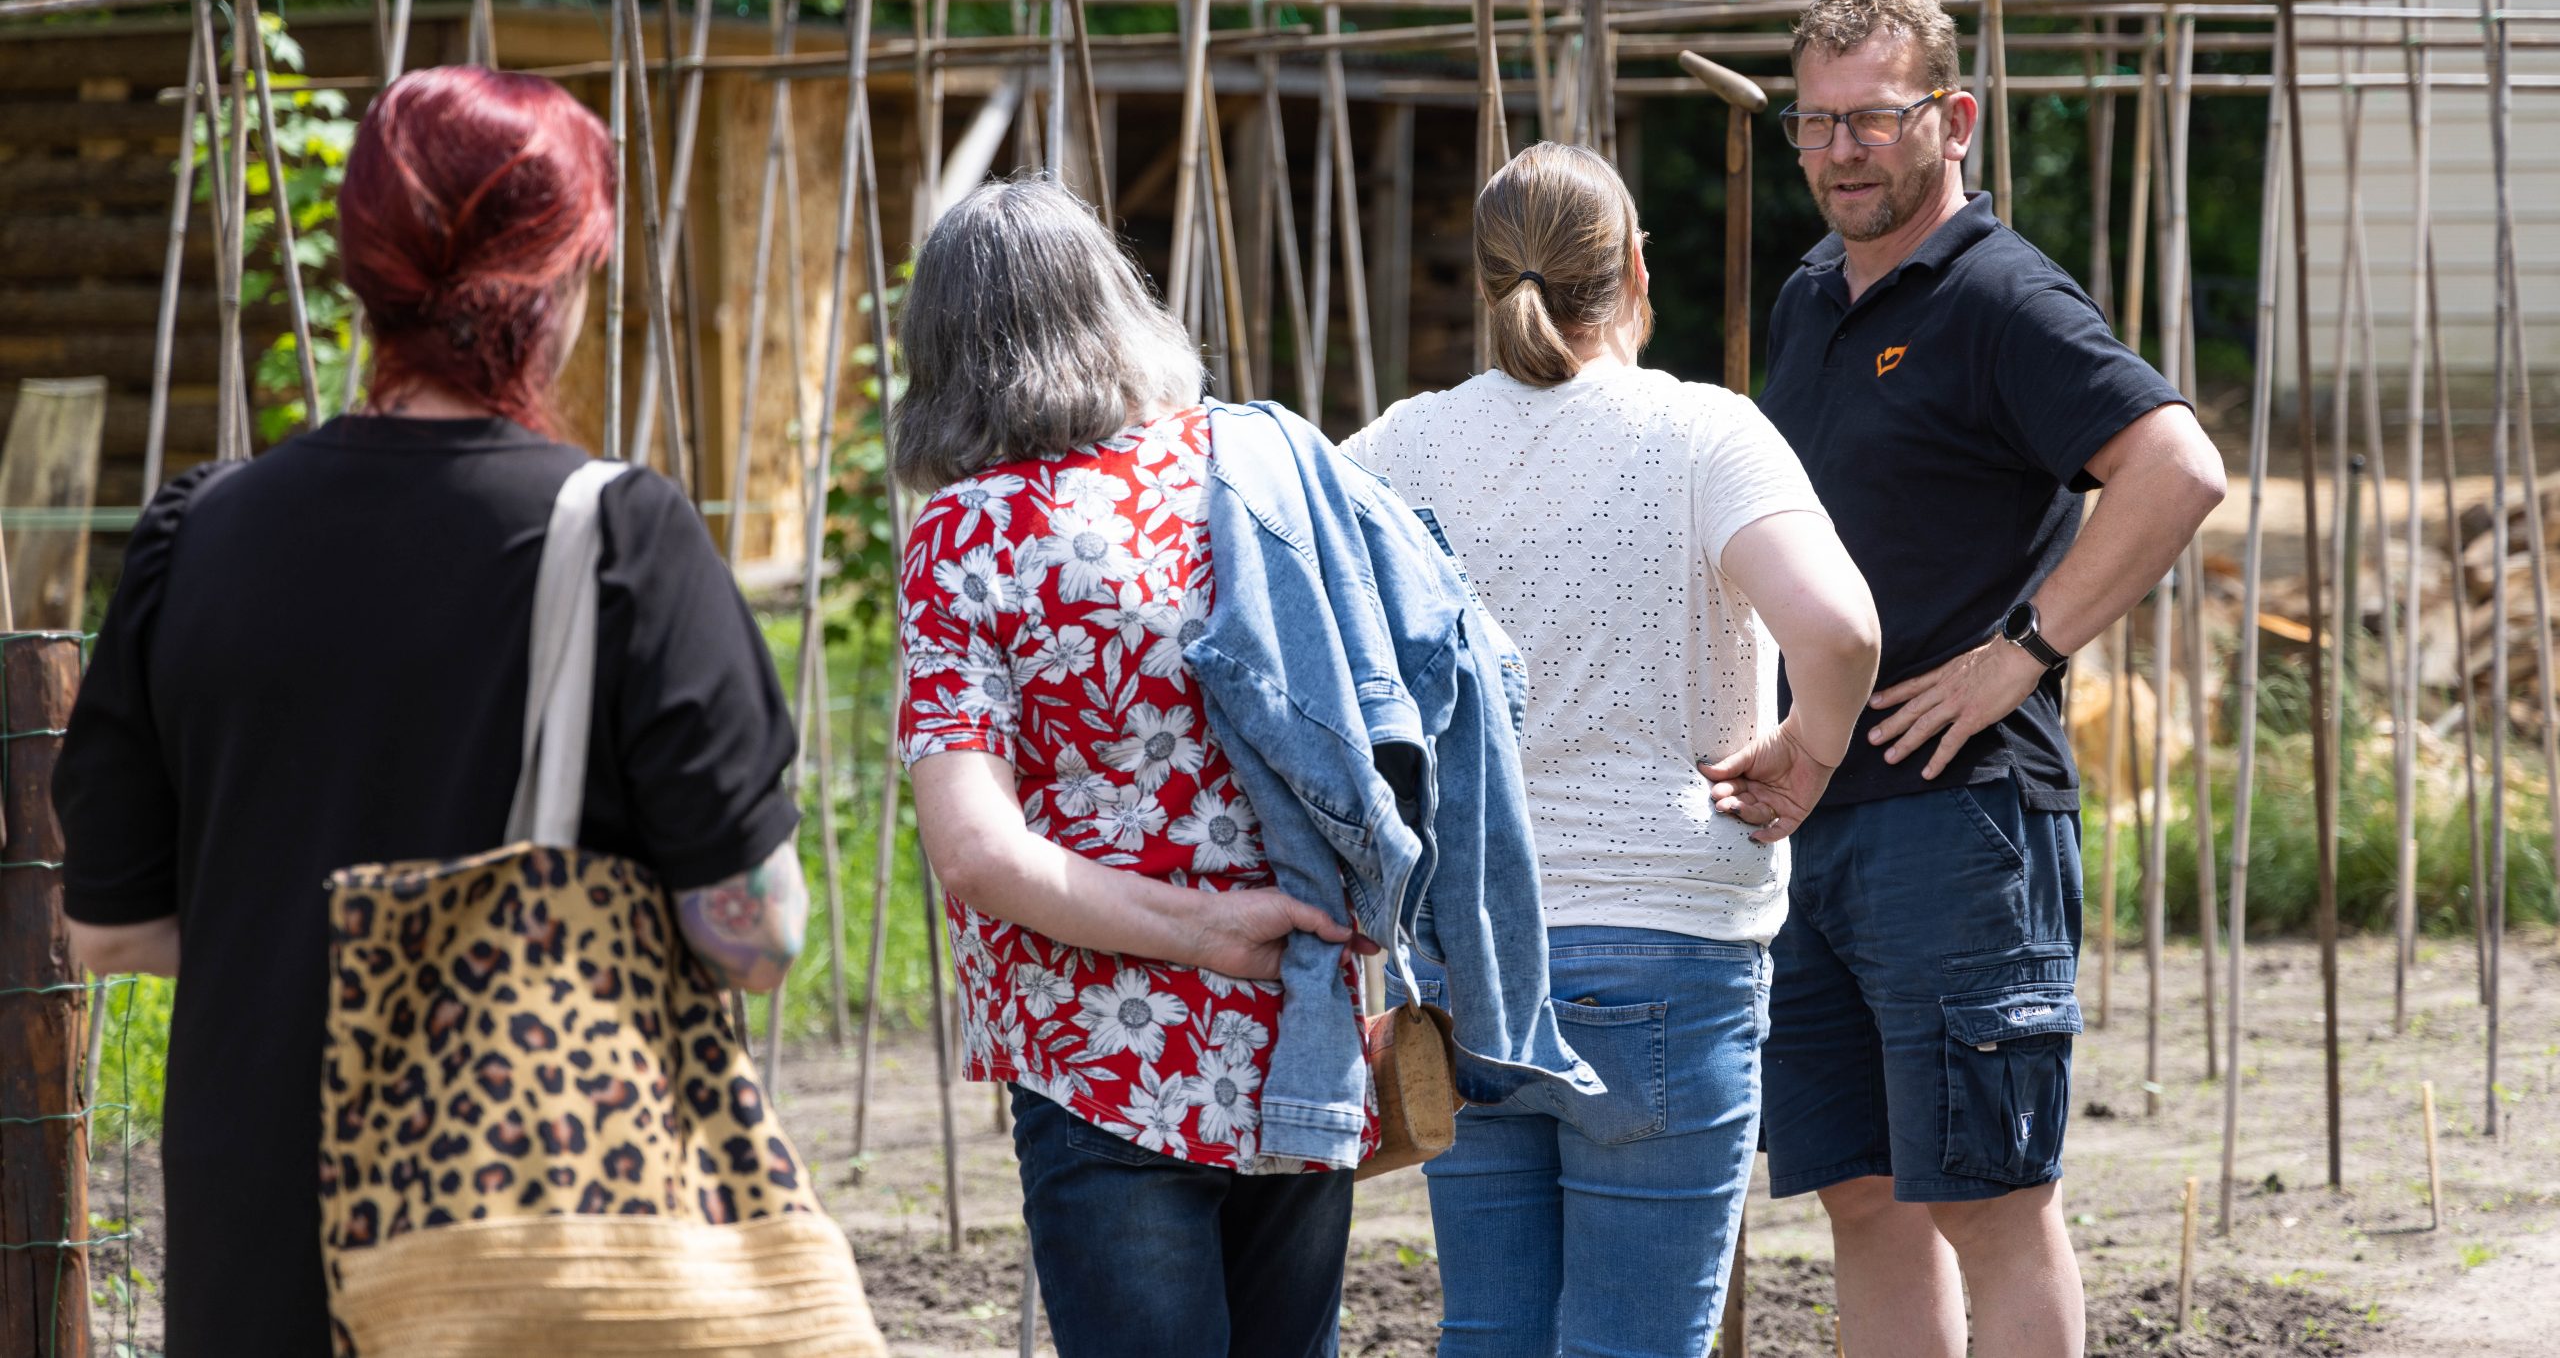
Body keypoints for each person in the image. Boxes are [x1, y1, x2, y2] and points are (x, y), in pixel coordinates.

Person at [51, 67, 811, 1356]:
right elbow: (756, 935)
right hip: (525, 1221)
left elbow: (112, 927)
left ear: (363, 272)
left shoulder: (199, 535)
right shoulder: (622, 540)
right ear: (562, 275)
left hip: (260, 1221)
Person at [1340, 141, 1882, 1357]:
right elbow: (1842, 630)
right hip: (1666, 950)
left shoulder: (1388, 455)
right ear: (1637, 268)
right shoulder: (1703, 435)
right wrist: (1810, 748)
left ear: (1488, 285)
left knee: (1490, 1331)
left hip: (1469, 951)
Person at [1755, 0, 2228, 1358]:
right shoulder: (1809, 299)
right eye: (1817, 123)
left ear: (1954, 118)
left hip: (1960, 823)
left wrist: (2017, 655)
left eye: (1876, 121)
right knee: (1864, 1200)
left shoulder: (2001, 297)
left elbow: (2176, 468)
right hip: (1823, 817)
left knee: (1994, 1202)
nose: (1843, 151)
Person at [893, 176, 1375, 1358]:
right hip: (1299, 1018)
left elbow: (974, 849)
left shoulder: (964, 537)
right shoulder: (1251, 474)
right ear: (1118, 306)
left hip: (1099, 1052)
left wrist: (1199, 932)